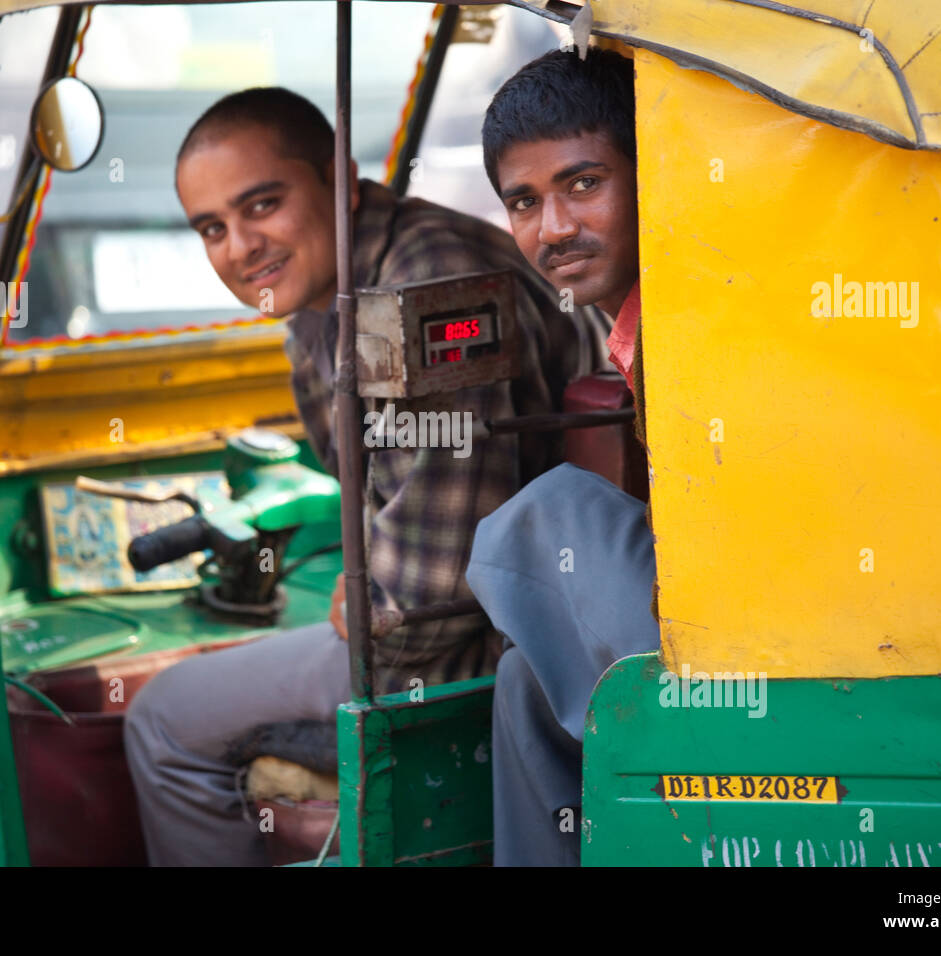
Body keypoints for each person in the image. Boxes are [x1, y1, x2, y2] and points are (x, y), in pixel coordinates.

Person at [123, 86, 611, 865]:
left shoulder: (419, 292)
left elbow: (423, 598)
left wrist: (362, 605)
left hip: (499, 645)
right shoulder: (318, 294)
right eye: (213, 228)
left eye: (263, 205)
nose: (241, 246)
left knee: (163, 720)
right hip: (466, 620)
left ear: (339, 182)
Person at [463, 47, 657, 866]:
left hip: (774, 637)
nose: (555, 229)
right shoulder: (627, 327)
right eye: (524, 201)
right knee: (522, 685)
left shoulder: (700, 320)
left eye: (585, 184)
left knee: (545, 514)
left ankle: (673, 747)